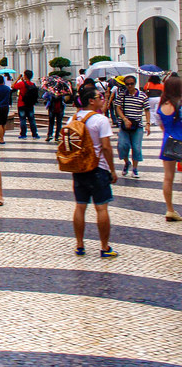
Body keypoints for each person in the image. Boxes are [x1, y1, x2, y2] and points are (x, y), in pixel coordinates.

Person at [69, 86, 118, 257]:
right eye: (99, 97)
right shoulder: (101, 120)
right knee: (101, 208)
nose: (102, 99)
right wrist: (112, 170)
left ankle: (79, 245)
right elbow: (106, 147)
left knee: (80, 206)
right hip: (98, 168)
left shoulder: (73, 119)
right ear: (91, 101)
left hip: (79, 168)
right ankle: (104, 247)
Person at [155, 75, 182, 222]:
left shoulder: (160, 106)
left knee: (168, 177)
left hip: (168, 142)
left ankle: (170, 210)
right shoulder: (180, 104)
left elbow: (162, 126)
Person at [13, 70, 41, 139]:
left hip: (22, 104)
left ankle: (23, 134)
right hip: (30, 104)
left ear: (25, 76)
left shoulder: (21, 84)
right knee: (32, 120)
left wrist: (18, 79)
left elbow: (13, 86)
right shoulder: (32, 84)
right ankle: (34, 134)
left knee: (23, 119)